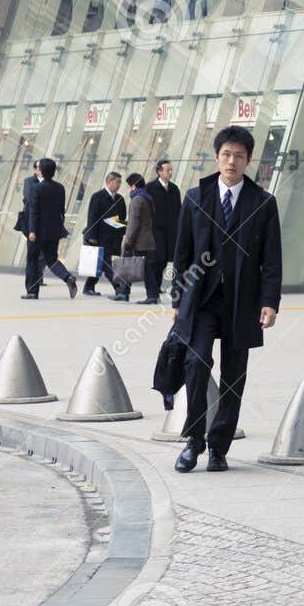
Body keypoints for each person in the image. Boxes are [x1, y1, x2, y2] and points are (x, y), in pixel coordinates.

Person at [171, 126, 282, 473]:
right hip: (201, 300)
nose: (232, 161)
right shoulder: (194, 198)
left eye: (239, 155)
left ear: (248, 160)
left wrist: (270, 302)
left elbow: (272, 259)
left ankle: (219, 447)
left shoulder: (263, 203)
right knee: (197, 362)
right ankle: (193, 440)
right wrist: (177, 301)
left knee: (235, 375)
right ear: (217, 157)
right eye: (226, 154)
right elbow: (182, 254)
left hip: (242, 302)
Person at [22, 158, 77, 300]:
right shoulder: (60, 187)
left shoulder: (36, 188)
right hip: (54, 231)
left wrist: (32, 231)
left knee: (32, 259)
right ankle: (68, 277)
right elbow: (61, 211)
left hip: (38, 232)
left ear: (42, 171)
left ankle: (32, 292)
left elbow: (34, 211)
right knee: (52, 259)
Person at [117, 173, 159, 304]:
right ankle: (124, 292)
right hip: (146, 239)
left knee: (144, 268)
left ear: (133, 185)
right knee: (134, 265)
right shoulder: (147, 198)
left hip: (138, 241)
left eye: (129, 186)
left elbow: (133, 223)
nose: (129, 189)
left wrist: (128, 241)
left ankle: (152, 295)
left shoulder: (137, 200)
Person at [82, 172, 125, 296]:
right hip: (100, 236)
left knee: (99, 263)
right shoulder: (97, 197)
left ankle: (88, 287)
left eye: (120, 183)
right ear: (109, 181)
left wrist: (121, 230)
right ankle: (118, 288)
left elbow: (122, 218)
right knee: (107, 264)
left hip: (114, 236)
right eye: (117, 182)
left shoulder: (120, 199)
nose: (119, 185)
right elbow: (92, 217)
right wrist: (92, 236)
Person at [147, 158, 182, 303]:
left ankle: (156, 288)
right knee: (155, 260)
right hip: (155, 231)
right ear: (159, 171)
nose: (170, 172)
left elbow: (179, 210)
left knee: (164, 261)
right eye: (167, 170)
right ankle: (153, 291)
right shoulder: (150, 187)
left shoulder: (174, 189)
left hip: (171, 231)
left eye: (171, 169)